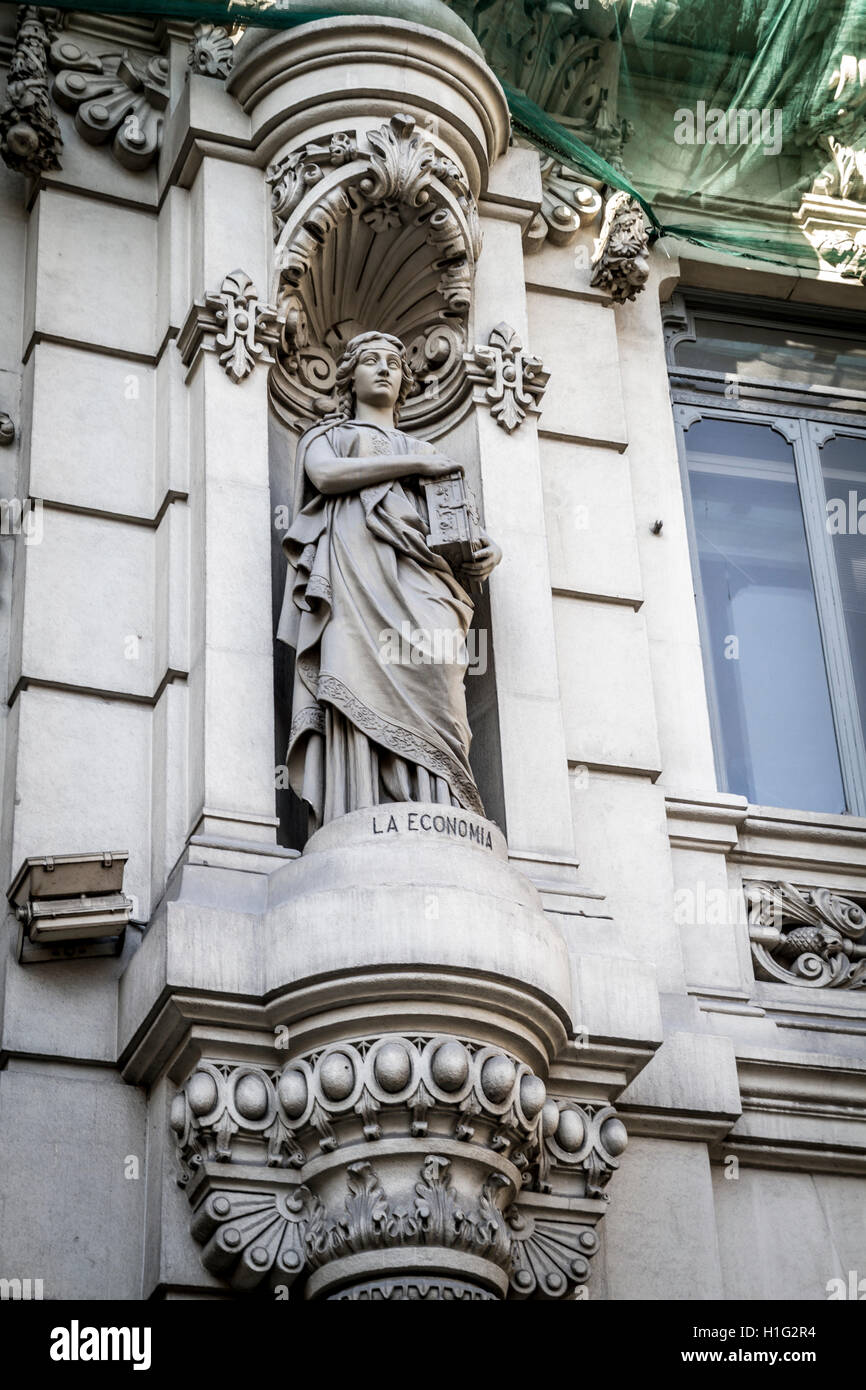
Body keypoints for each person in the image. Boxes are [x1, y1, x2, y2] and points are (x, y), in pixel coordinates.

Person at [277, 330, 502, 830]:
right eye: (371, 360)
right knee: (355, 668)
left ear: (405, 381)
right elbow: (329, 476)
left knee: (441, 675)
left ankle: (441, 811)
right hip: (356, 581)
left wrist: (487, 549)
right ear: (349, 378)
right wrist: (416, 463)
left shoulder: (426, 450)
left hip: (423, 585)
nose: (384, 369)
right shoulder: (327, 437)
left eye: (394, 364)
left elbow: (454, 522)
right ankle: (360, 810)